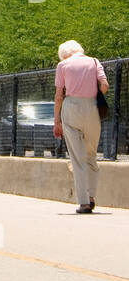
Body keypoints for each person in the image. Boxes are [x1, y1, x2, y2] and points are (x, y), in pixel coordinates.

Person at [54, 40, 109, 213]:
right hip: (91, 108)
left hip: (71, 108)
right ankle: (91, 196)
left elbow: (58, 96)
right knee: (91, 154)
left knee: (77, 158)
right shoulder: (94, 61)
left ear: (64, 53)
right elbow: (105, 85)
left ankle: (84, 202)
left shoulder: (63, 65)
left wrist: (57, 121)